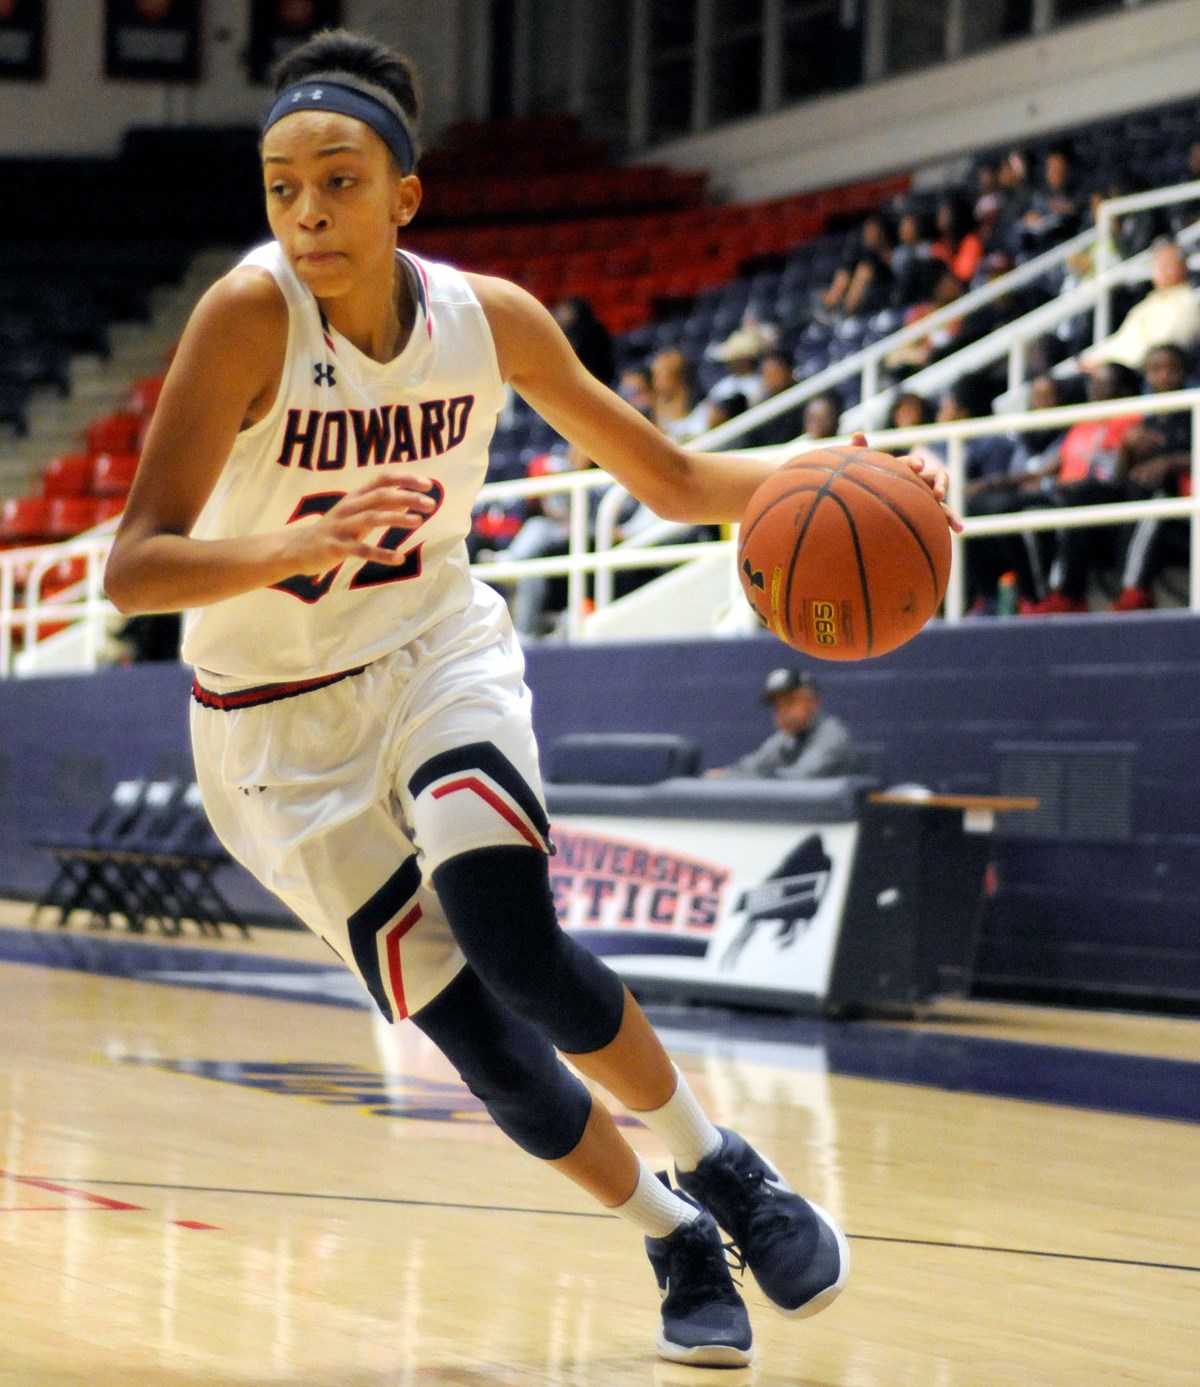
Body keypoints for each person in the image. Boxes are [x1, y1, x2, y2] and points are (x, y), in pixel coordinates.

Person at [102, 28, 951, 1368]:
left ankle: (724, 1165)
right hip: (271, 724)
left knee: (508, 927)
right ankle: (668, 1232)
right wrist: (287, 544)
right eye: (280, 187)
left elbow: (669, 482)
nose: (307, 210)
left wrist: (842, 465)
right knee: (487, 1045)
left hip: (435, 649)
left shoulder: (485, 321)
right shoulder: (247, 316)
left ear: (404, 196)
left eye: (337, 179)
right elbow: (133, 565)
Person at [707, 668, 858, 780]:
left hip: (836, 820)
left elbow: (798, 779)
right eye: (777, 706)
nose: (783, 711)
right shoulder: (786, 738)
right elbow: (752, 765)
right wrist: (725, 775)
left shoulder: (832, 735)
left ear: (813, 701)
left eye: (790, 702)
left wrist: (736, 778)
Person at [1079, 239, 1200, 375]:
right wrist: (1095, 358)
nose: (1162, 271)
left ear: (1184, 267)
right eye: (1158, 265)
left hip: (1139, 372)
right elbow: (1122, 339)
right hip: (1115, 365)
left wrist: (1104, 362)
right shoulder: (1148, 302)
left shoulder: (1187, 303)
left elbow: (1159, 349)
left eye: (1168, 264)